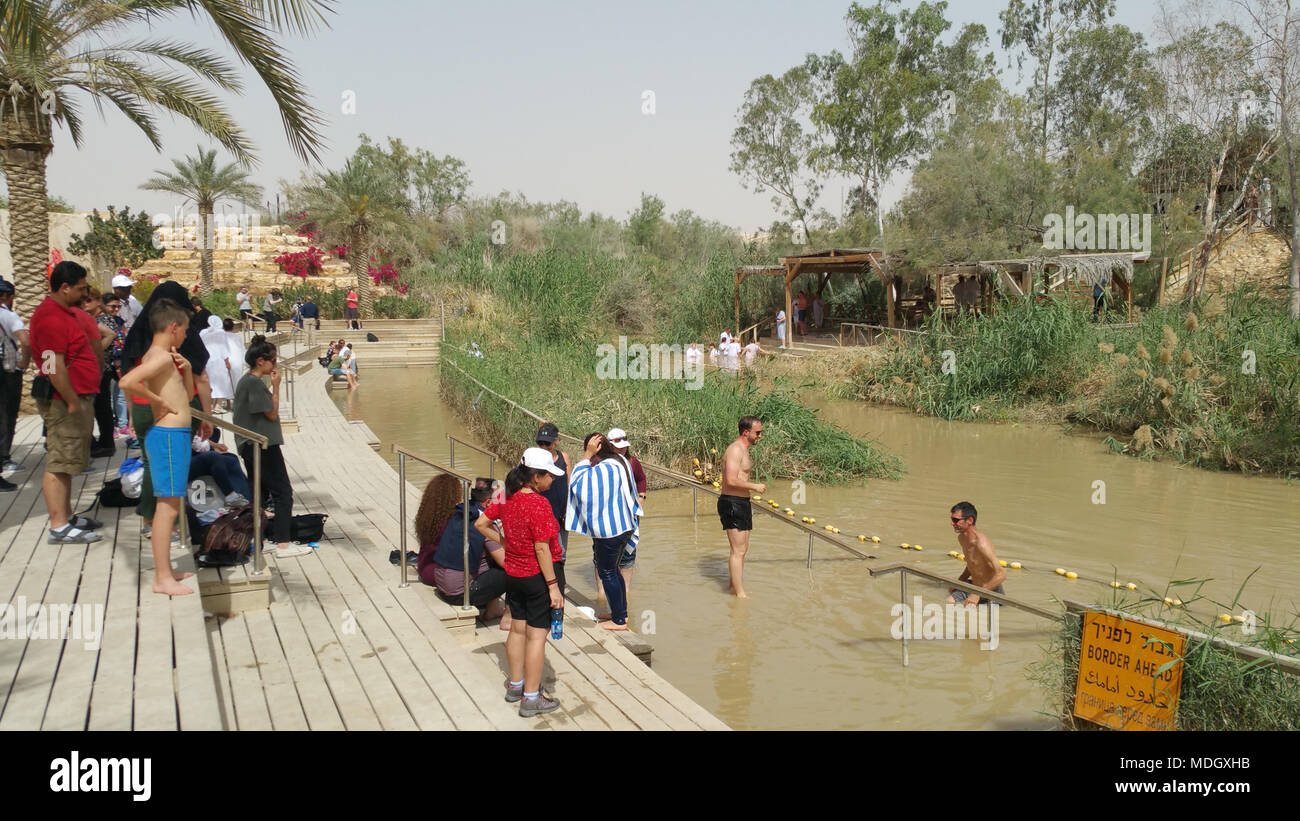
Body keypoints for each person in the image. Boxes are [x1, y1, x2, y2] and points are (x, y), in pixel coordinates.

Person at [474, 449, 565, 717]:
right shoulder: (539, 504)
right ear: (535, 477)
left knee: (517, 629)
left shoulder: (503, 495)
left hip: (513, 574)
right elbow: (542, 550)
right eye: (549, 475)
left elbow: (481, 523)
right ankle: (532, 697)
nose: (552, 480)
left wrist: (504, 542)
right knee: (537, 636)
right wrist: (553, 586)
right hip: (537, 577)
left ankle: (515, 685)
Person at [118, 300, 197, 595]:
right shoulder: (160, 357)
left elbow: (186, 397)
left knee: (171, 504)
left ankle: (166, 572)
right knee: (166, 508)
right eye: (185, 330)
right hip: (168, 436)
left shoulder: (166, 357)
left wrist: (187, 371)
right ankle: (161, 578)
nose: (187, 335)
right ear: (174, 328)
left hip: (172, 435)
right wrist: (159, 401)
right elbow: (127, 381)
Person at [122, 281, 214, 536]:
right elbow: (201, 376)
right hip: (173, 413)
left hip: (141, 407)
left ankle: (150, 518)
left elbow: (129, 374)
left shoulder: (140, 331)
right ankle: (165, 522)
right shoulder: (176, 335)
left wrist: (131, 413)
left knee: (151, 463)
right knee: (172, 472)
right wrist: (207, 415)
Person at [32, 262, 103, 538]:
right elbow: (52, 365)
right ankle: (58, 525)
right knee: (59, 461)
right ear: (64, 287)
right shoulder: (50, 317)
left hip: (75, 396)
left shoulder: (63, 313)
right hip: (64, 400)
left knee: (69, 460)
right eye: (81, 288)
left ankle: (66, 516)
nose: (85, 294)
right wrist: (71, 398)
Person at [233, 337, 310, 559]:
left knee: (260, 493)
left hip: (254, 445)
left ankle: (260, 539)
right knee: (282, 492)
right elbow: (272, 413)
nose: (275, 365)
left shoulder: (249, 382)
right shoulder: (253, 383)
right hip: (261, 446)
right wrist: (276, 387)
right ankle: (283, 543)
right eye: (273, 360)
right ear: (260, 361)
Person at [566, 434, 640, 632]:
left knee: (607, 572)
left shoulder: (605, 467)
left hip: (610, 531)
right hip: (625, 526)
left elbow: (578, 485)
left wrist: (587, 454)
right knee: (614, 570)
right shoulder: (620, 460)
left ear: (596, 450)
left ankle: (618, 620)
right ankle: (620, 613)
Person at [417, 475, 509, 627]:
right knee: (516, 570)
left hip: (442, 584)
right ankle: (510, 616)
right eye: (500, 500)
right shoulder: (483, 524)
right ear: (488, 502)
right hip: (459, 594)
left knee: (492, 560)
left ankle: (492, 608)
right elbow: (506, 563)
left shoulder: (461, 511)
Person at [597, 428, 644, 617]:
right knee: (602, 560)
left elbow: (641, 479)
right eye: (618, 447)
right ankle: (602, 596)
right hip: (608, 519)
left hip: (628, 515)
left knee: (627, 556)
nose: (622, 450)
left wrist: (642, 496)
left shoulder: (633, 462)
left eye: (624, 447)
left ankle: (623, 598)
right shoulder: (601, 464)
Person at [718, 416, 765, 598]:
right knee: (737, 551)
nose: (760, 436)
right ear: (746, 432)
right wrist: (755, 487)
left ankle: (734, 587)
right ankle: (740, 595)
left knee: (743, 550)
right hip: (731, 502)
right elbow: (730, 480)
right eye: (758, 432)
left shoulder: (745, 450)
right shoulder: (735, 450)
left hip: (742, 503)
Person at [83, 287, 120, 458]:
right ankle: (104, 443)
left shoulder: (102, 319)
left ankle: (105, 443)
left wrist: (93, 351)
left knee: (101, 407)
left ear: (98, 301)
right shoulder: (92, 318)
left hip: (101, 368)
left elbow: (111, 335)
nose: (85, 302)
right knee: (101, 406)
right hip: (98, 368)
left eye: (89, 299)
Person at [946, 501, 1006, 607]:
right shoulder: (962, 538)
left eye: (955, 520)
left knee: (951, 603)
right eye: (952, 519)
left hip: (990, 589)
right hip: (975, 587)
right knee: (949, 600)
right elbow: (972, 564)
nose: (952, 523)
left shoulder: (982, 543)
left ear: (969, 520)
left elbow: (1001, 574)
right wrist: (959, 581)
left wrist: (977, 594)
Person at [0, 280, 30, 477]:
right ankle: (4, 458)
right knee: (6, 416)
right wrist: (24, 363)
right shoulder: (8, 316)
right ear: (8, 297)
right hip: (7, 373)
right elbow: (26, 341)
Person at [534, 422, 571, 559]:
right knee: (543, 551)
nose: (543, 447)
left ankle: (558, 579)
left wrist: (569, 509)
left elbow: (570, 485)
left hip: (561, 513)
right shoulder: (533, 459)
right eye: (541, 443)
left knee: (561, 553)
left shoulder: (564, 458)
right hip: (541, 515)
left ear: (556, 441)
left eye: (547, 443)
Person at [189, 430, 251, 507]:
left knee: (231, 459)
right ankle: (230, 496)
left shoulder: (215, 432)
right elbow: (195, 443)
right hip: (182, 461)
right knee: (213, 456)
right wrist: (213, 447)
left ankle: (248, 504)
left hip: (200, 455)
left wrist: (214, 446)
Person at [100, 294, 129, 436]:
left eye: (118, 306)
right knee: (109, 396)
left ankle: (123, 423)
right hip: (106, 362)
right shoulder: (99, 321)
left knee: (121, 393)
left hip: (119, 361)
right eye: (113, 306)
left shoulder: (119, 321)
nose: (116, 309)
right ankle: (111, 426)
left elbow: (124, 336)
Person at [201, 316, 237, 408]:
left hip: (207, 359)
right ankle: (218, 405)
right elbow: (224, 348)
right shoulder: (221, 333)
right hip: (219, 360)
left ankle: (210, 405)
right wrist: (227, 361)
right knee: (221, 382)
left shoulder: (203, 332)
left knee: (210, 382)